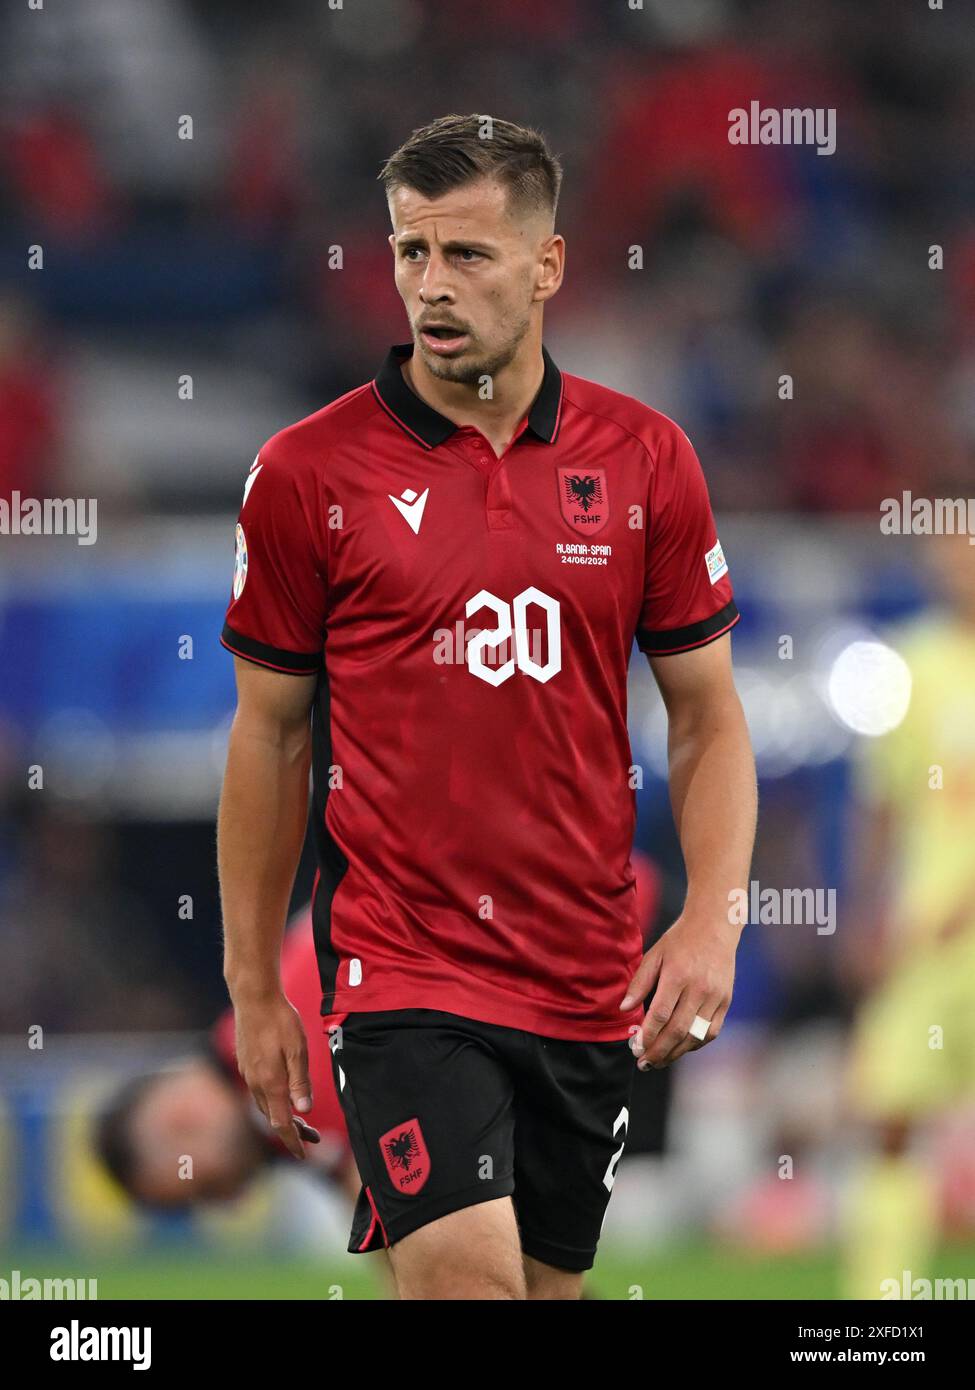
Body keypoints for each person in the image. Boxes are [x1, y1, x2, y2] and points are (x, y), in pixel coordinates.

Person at [217, 113, 757, 1300]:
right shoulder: (309, 475)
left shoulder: (646, 460)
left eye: (468, 254)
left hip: (584, 974)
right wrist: (256, 985)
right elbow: (269, 734)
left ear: (548, 265)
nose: (431, 286)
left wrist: (714, 919)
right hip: (405, 969)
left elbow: (709, 716)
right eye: (412, 252)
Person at [842, 529, 975, 1297]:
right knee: (890, 1118)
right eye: (953, 552)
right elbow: (880, 801)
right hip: (921, 938)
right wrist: (864, 911)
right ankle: (881, 1307)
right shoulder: (913, 661)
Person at [95, 908, 356, 1207]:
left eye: (207, 1188)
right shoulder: (258, 1026)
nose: (228, 1203)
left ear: (181, 1119)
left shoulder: (283, 1068)